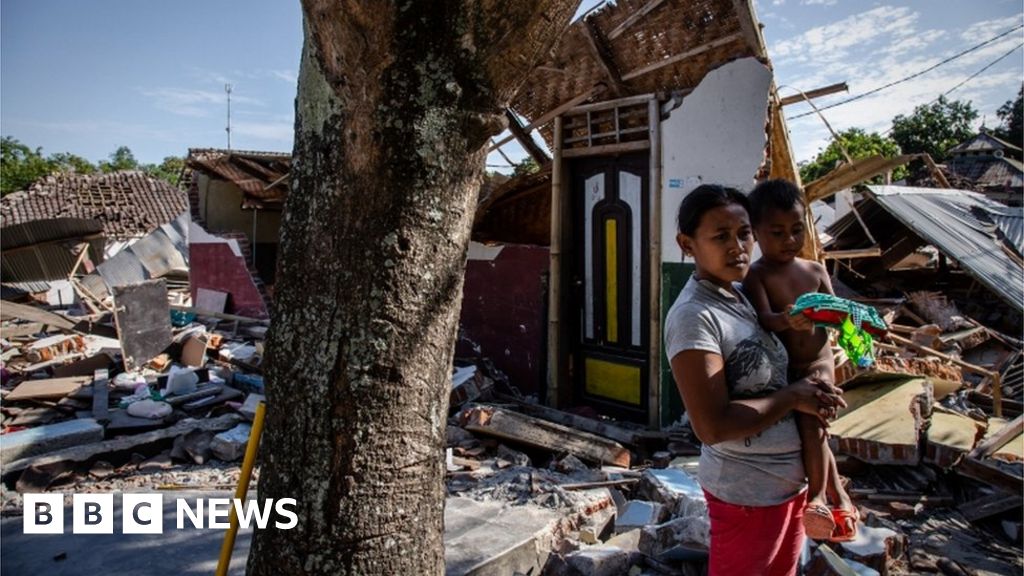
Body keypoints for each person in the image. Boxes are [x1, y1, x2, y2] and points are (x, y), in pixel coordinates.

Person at [665, 184, 844, 575]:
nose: (738, 247)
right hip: (747, 495)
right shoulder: (695, 316)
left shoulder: (741, 295)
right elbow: (712, 427)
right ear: (687, 244)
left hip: (786, 488)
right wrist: (795, 397)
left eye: (744, 233)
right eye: (721, 237)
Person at [742, 179, 857, 542]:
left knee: (812, 426)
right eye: (777, 232)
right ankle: (840, 499)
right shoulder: (757, 275)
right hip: (784, 370)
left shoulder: (816, 270)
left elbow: (839, 314)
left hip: (819, 363)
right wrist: (787, 319)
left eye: (796, 229)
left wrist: (857, 335)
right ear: (756, 233)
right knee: (814, 432)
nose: (790, 239)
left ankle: (818, 499)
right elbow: (764, 319)